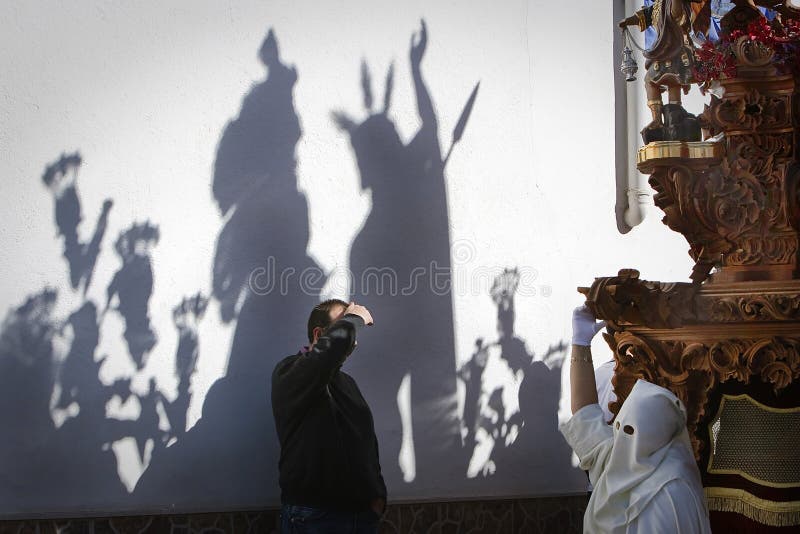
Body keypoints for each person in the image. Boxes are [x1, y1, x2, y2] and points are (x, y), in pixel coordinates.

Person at [560, 305, 711, 533]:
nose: (627, 435)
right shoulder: (618, 460)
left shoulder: (672, 490)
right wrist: (580, 342)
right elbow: (585, 416)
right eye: (622, 427)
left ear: (663, 432)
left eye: (634, 430)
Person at [272, 299, 386, 534]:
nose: (353, 338)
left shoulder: (347, 383)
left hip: (362, 517)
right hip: (314, 517)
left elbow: (367, 443)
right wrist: (355, 318)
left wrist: (378, 496)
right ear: (318, 334)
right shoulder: (289, 372)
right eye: (342, 323)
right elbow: (325, 356)